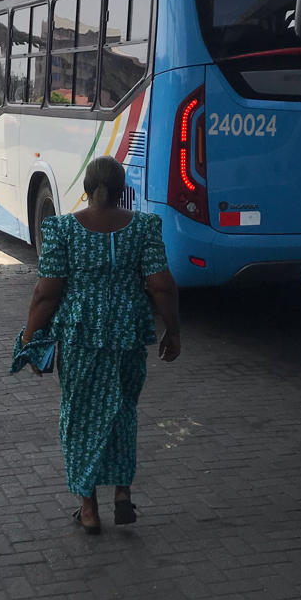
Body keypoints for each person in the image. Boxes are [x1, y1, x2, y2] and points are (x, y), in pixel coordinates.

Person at [17, 155, 181, 534]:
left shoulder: (62, 229)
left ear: (87, 189)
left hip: (81, 337)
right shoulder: (143, 227)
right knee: (122, 410)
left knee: (79, 416)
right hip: (128, 334)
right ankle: (122, 492)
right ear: (122, 190)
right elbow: (161, 285)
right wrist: (173, 331)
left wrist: (29, 337)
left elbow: (46, 293)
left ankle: (89, 508)